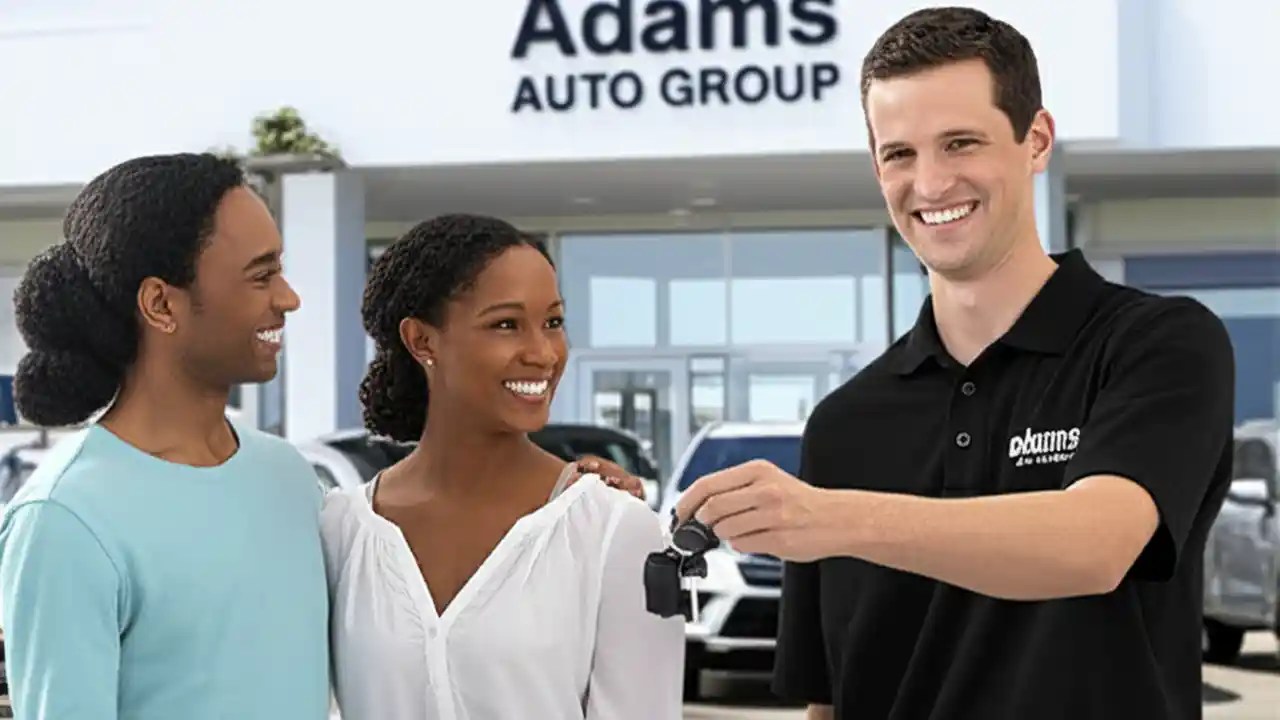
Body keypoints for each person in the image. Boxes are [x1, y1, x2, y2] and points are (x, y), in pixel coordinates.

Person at [674, 7, 1235, 720]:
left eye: (960, 143)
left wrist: (829, 516)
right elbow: (831, 699)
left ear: (1036, 140)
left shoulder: (1156, 345)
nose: (931, 183)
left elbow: (1097, 545)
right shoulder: (846, 424)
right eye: (899, 154)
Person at [0, 153, 332, 719]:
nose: (288, 297)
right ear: (161, 304)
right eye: (261, 276)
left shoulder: (290, 478)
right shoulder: (64, 519)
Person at [320, 213, 685, 719]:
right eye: (506, 325)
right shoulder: (341, 529)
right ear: (422, 341)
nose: (543, 353)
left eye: (553, 322)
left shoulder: (614, 531)